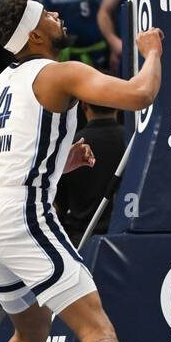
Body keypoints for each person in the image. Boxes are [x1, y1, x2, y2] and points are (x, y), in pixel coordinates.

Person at [0, 0, 161, 342]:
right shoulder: (61, 72)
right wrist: (152, 52)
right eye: (47, 14)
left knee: (30, 332)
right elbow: (140, 95)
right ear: (34, 36)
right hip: (21, 216)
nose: (57, 14)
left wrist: (55, 162)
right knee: (96, 326)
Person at [55, 103, 126, 244]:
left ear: (84, 106)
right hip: (123, 239)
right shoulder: (132, 141)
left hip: (81, 239)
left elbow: (58, 202)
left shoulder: (71, 146)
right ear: (118, 105)